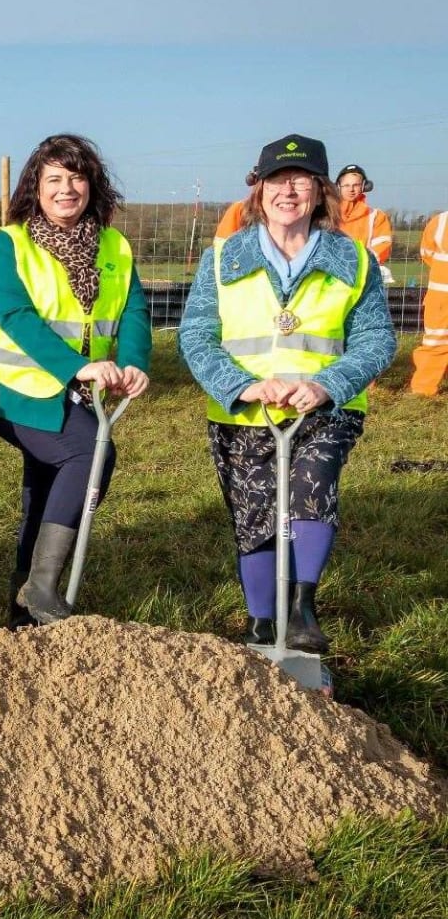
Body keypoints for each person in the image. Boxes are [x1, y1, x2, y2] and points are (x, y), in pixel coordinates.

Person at [180, 135, 395, 652]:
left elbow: (376, 338)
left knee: (310, 487)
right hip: (243, 413)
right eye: (277, 179)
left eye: (302, 180)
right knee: (253, 516)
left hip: (323, 411)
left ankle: (301, 609)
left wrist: (327, 385)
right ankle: (260, 624)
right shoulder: (222, 259)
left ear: (322, 192)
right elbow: (196, 334)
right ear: (259, 190)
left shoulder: (354, 260)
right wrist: (241, 385)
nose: (288, 190)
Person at [0, 134, 151, 626]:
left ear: (92, 184)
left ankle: (23, 619)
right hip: (11, 388)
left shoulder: (114, 246)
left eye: (76, 177)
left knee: (47, 487)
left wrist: (133, 361)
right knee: (88, 455)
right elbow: (16, 315)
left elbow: (133, 310)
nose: (66, 188)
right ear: (35, 187)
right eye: (54, 179)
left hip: (73, 392)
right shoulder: (8, 244)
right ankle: (43, 587)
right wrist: (77, 366)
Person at [335, 164, 395, 283]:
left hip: (364, 277)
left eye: (356, 185)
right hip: (331, 276)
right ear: (338, 187)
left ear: (364, 186)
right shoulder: (327, 214)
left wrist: (357, 264)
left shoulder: (376, 216)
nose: (351, 189)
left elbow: (382, 247)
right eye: (346, 185)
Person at [412, 207, 448, 395]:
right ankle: (423, 389)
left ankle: (423, 389)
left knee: (435, 342)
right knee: (436, 343)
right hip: (441, 297)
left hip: (440, 296)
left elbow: (427, 253)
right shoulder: (439, 221)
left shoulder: (440, 221)